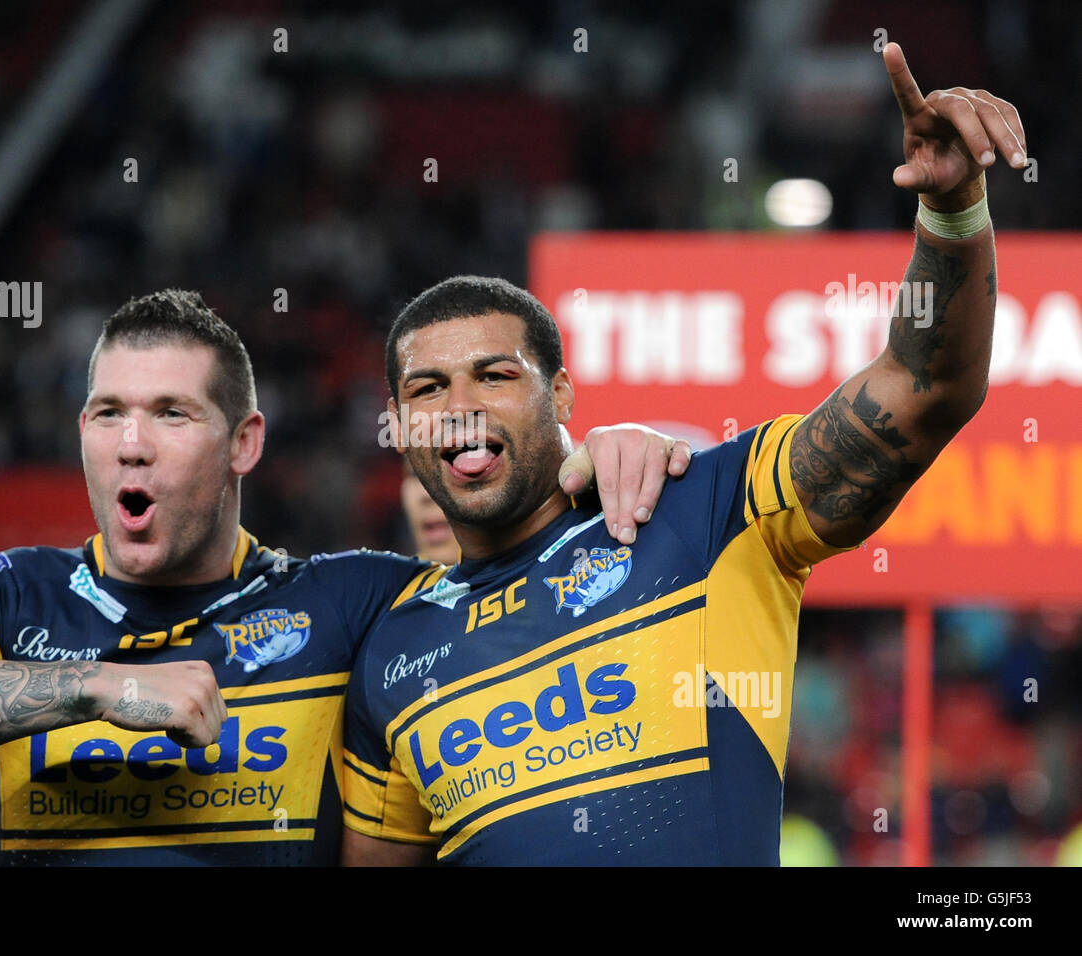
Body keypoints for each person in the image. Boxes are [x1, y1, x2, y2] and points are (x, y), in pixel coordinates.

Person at [340, 43, 1025, 865]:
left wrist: (953, 213)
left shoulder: (705, 510)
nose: (459, 411)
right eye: (426, 391)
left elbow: (925, 387)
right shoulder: (389, 654)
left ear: (560, 397)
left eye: (494, 376)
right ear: (398, 422)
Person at [0, 289, 690, 865]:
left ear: (244, 443)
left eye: (171, 414)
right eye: (108, 413)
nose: (131, 442)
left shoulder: (350, 604)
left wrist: (604, 455)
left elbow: (506, 552)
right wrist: (97, 689)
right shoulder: (7, 594)